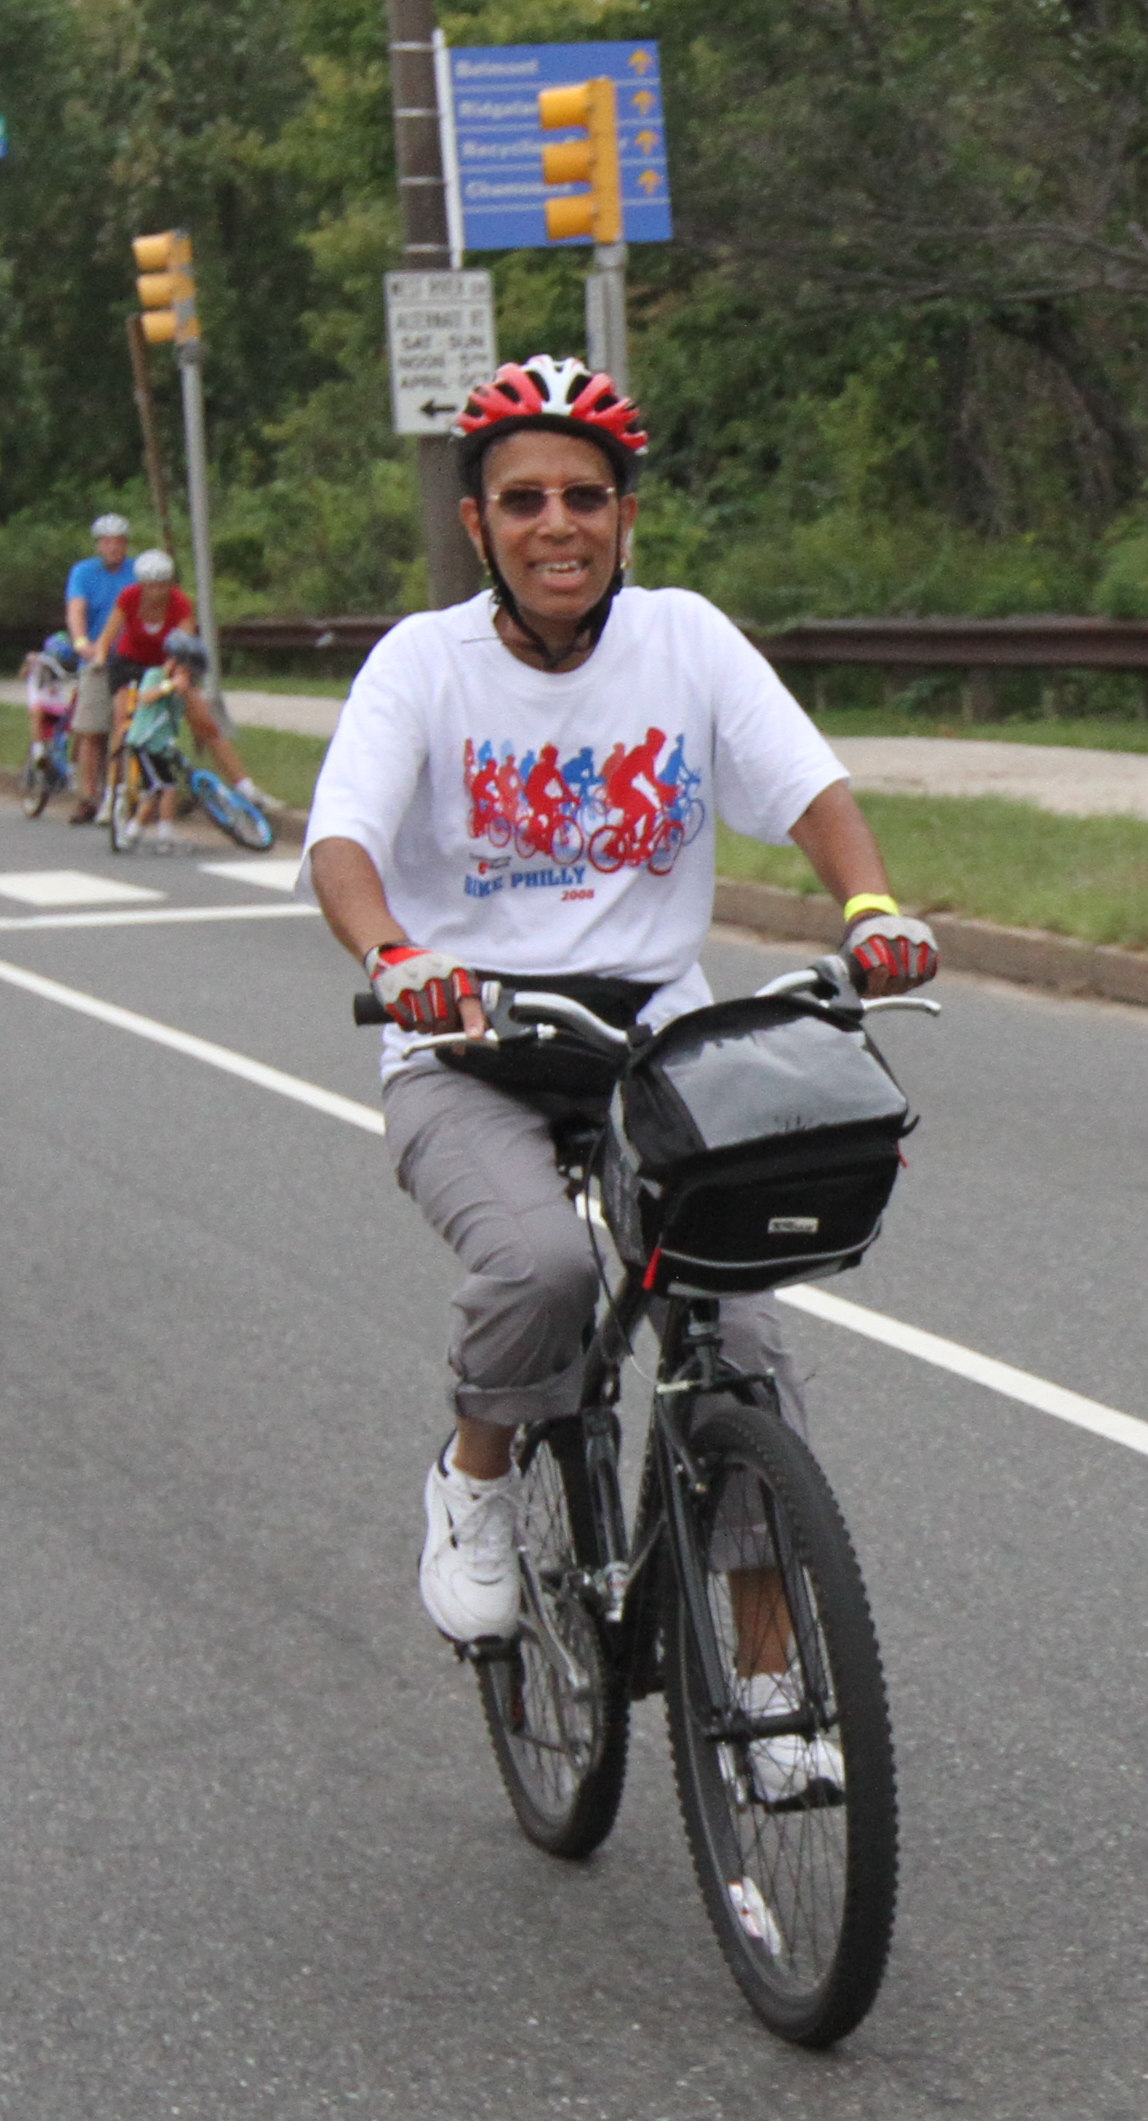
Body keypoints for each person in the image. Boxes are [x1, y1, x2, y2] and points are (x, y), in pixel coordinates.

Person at [303, 355, 941, 1647]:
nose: (557, 527)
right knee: (541, 1264)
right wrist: (395, 958)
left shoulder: (685, 639)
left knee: (740, 1338)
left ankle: (766, 1676)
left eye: (585, 498)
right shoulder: (421, 665)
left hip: (651, 1051)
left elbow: (813, 795)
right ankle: (476, 1481)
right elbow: (342, 846)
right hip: (466, 1047)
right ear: (475, 522)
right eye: (523, 500)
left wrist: (870, 910)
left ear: (624, 515)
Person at [92, 553, 251, 836]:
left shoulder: (179, 603)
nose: (157, 591)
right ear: (141, 584)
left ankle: (244, 786)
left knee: (205, 722)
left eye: (163, 584)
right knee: (123, 723)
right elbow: (108, 635)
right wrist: (99, 657)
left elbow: (185, 642)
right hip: (129, 664)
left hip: (166, 664)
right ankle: (111, 796)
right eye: (151, 585)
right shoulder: (129, 598)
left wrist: (178, 676)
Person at [60, 511, 142, 819]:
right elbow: (76, 610)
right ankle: (88, 796)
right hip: (98, 656)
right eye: (107, 542)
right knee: (92, 729)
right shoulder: (84, 572)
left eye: (119, 542)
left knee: (127, 728)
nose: (113, 548)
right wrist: (83, 643)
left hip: (131, 654)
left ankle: (121, 793)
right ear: (99, 545)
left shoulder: (137, 571)